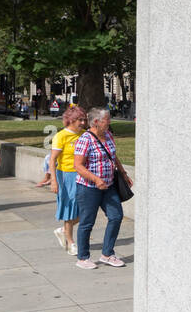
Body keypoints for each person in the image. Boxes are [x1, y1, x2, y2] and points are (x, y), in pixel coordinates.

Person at [73, 107, 132, 269]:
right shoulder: (85, 139)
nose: (110, 122)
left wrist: (123, 172)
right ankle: (83, 257)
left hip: (109, 185)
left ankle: (107, 254)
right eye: (107, 119)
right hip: (88, 187)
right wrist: (96, 179)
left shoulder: (108, 135)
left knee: (116, 216)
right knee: (87, 222)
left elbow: (113, 155)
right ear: (97, 122)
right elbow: (77, 165)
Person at [49, 105, 87, 255]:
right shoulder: (61, 136)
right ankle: (71, 242)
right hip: (66, 175)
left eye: (84, 119)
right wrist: (53, 180)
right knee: (70, 208)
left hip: (83, 174)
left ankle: (63, 230)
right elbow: (52, 160)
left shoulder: (85, 135)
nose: (83, 122)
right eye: (80, 120)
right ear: (70, 120)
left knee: (87, 209)